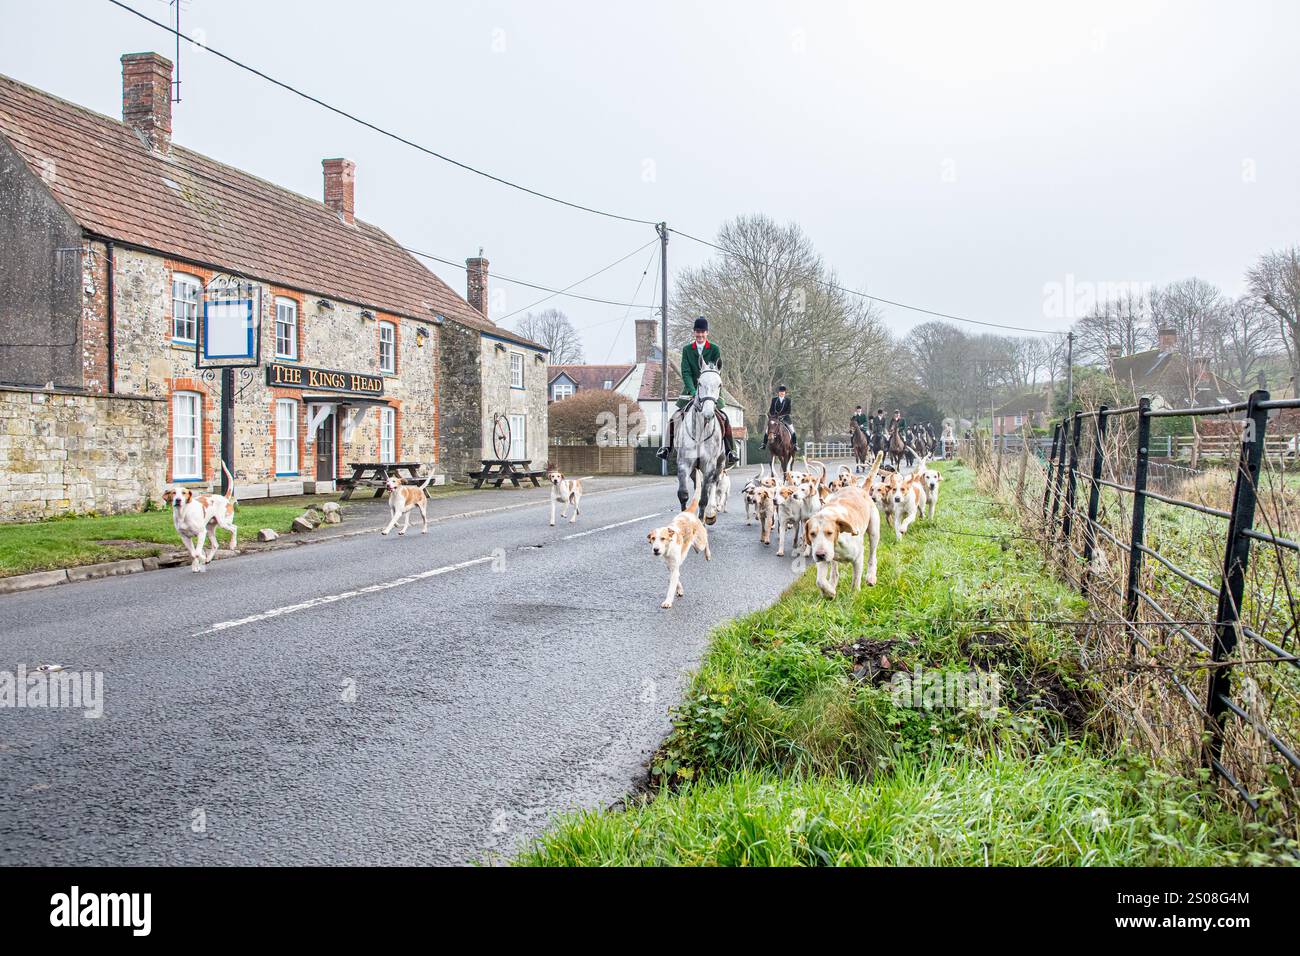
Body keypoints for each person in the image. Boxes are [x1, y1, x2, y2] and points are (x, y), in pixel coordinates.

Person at [657, 317, 738, 465]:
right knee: (675, 418)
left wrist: (706, 391)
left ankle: (729, 451)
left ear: (707, 333)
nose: (700, 335)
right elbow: (686, 372)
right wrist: (693, 391)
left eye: (703, 332)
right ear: (694, 332)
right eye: (697, 332)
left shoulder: (714, 349)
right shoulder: (687, 350)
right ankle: (666, 448)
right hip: (691, 391)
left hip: (710, 392)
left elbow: (714, 371)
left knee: (725, 418)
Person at [760, 385, 797, 452]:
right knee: (767, 430)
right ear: (778, 393)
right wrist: (773, 416)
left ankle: (795, 445)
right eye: (781, 392)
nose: (782, 393)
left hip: (785, 418)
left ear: (785, 393)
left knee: (792, 430)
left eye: (783, 392)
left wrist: (781, 416)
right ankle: (764, 444)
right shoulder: (774, 400)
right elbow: (771, 409)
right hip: (775, 418)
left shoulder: (788, 400)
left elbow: (788, 411)